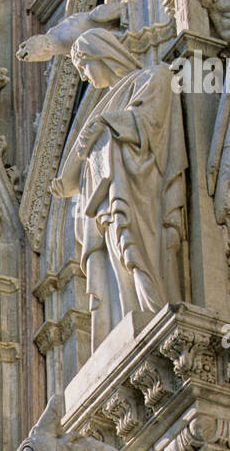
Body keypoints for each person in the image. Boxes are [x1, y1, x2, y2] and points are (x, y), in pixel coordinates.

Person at [51, 28, 187, 350]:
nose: (85, 76)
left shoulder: (153, 77)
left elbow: (150, 124)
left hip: (139, 193)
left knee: (138, 254)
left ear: (103, 56)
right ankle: (127, 321)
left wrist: (105, 126)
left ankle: (154, 312)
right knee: (117, 263)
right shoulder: (105, 106)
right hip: (107, 205)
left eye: (85, 66)